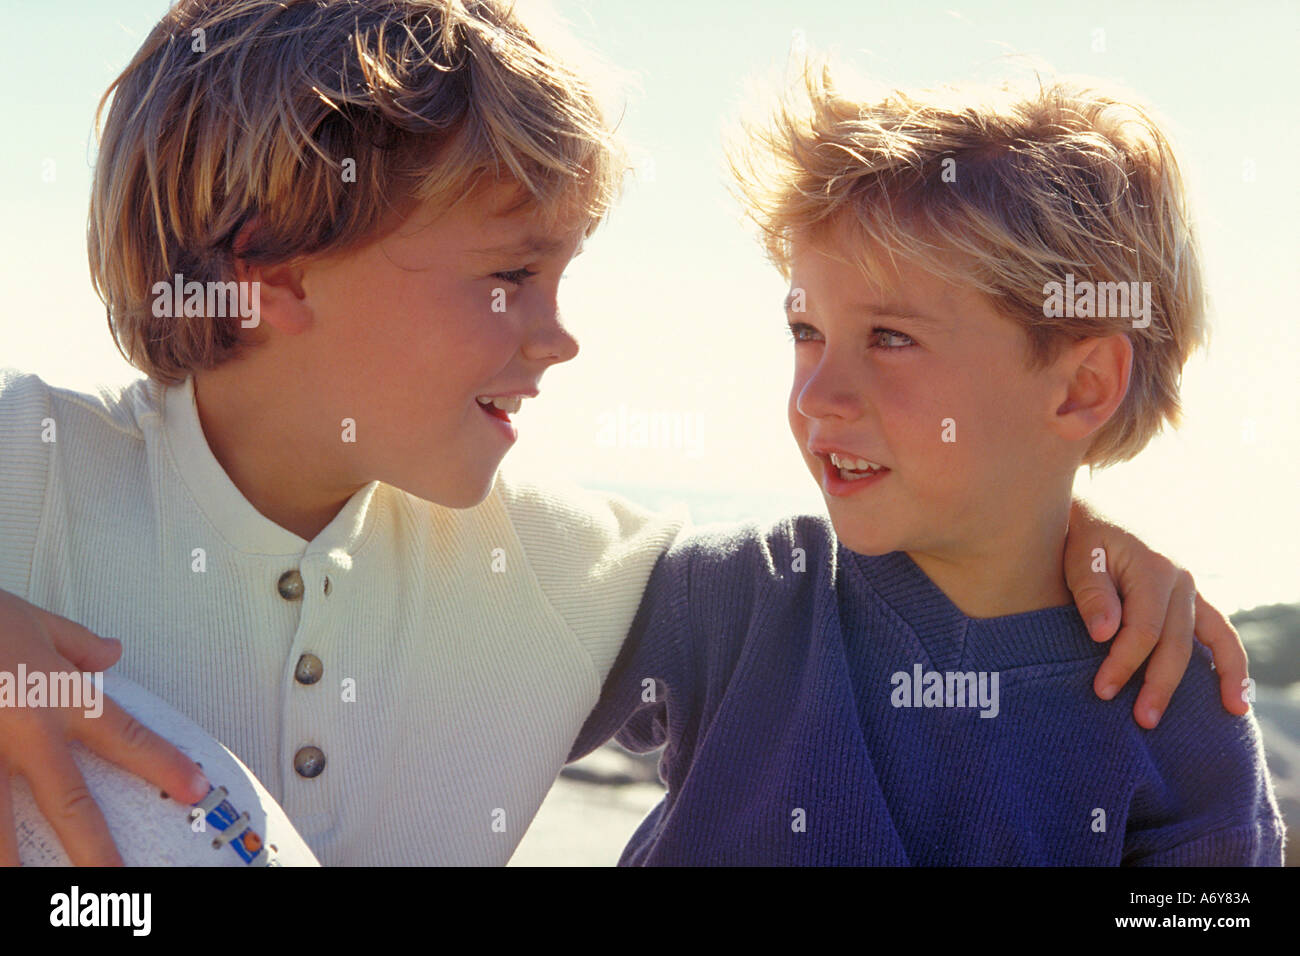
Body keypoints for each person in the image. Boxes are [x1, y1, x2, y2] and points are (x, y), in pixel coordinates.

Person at [0, 1, 1250, 866]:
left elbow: (949, 552)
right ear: (268, 270)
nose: (560, 336)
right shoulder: (37, 470)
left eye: (566, 275)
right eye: (510, 273)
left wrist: (1075, 532)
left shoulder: (568, 575)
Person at [567, 64, 1284, 865]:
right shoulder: (736, 596)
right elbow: (458, 610)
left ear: (1082, 387)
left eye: (890, 338)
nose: (817, 396)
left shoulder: (1177, 704)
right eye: (806, 332)